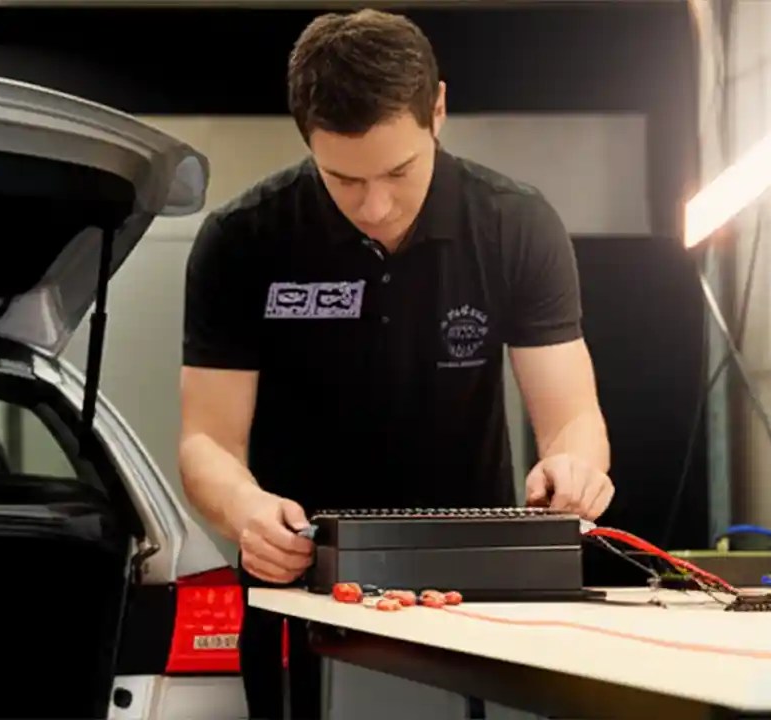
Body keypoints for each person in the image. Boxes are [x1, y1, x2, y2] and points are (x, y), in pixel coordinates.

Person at [177, 9, 613, 719]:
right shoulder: (242, 240)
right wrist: (245, 510)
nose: (375, 206)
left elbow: (572, 421)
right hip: (303, 589)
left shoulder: (514, 225)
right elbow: (206, 441)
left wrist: (575, 469)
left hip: (470, 595)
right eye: (343, 179)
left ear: (437, 108)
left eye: (399, 171)